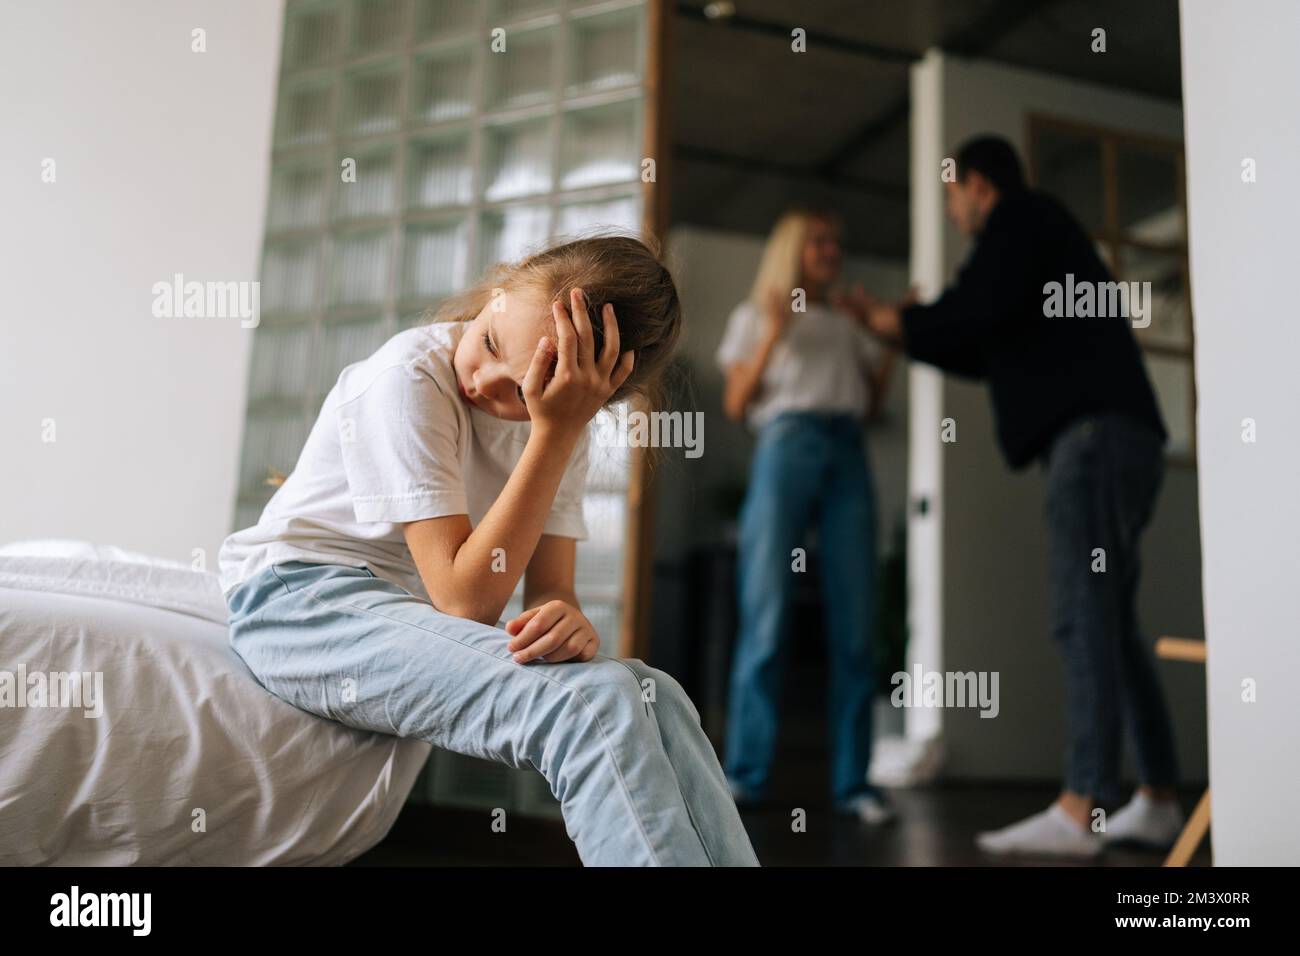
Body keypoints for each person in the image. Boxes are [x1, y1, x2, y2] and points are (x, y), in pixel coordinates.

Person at [219, 235, 760, 867]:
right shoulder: (409, 378)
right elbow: (464, 601)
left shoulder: (562, 424)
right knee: (590, 707)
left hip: (398, 611)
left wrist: (565, 620)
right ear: (499, 286)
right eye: (493, 345)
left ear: (590, 395)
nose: (483, 382)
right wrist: (553, 432)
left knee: (651, 692)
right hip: (295, 601)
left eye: (525, 392)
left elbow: (551, 591)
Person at [850, 136, 1184, 857]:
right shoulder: (1040, 240)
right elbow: (983, 342)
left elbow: (974, 313)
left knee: (1082, 616)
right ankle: (1157, 800)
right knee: (1112, 623)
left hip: (1092, 442)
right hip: (1119, 438)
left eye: (951, 196)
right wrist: (906, 332)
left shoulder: (1020, 221)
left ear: (978, 184)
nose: (953, 211)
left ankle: (1082, 806)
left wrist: (896, 323)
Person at [716, 207, 897, 824]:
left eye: (835, 242)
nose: (831, 251)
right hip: (785, 444)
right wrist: (774, 332)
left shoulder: (847, 323)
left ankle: (855, 785)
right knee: (765, 614)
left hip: (847, 449)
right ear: (793, 249)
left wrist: (887, 344)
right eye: (819, 241)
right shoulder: (752, 317)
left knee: (856, 623)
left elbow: (872, 405)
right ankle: (746, 776)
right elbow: (737, 403)